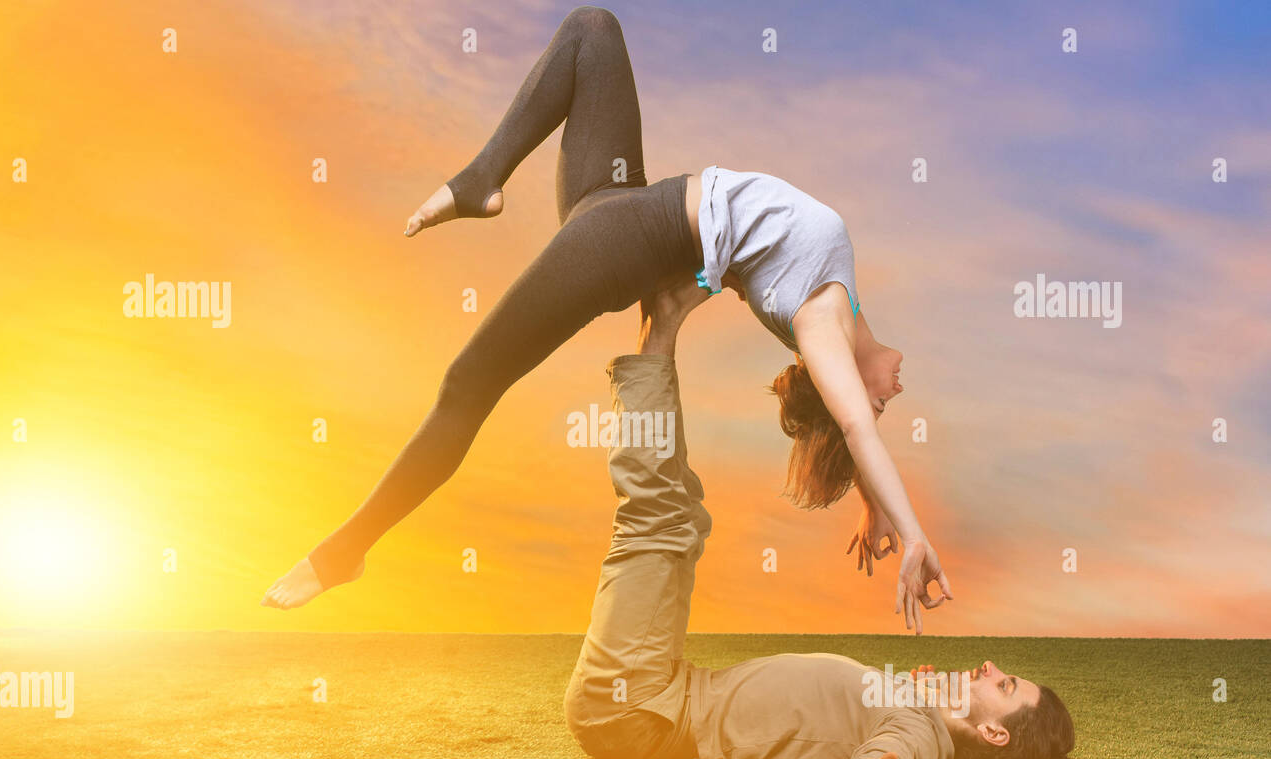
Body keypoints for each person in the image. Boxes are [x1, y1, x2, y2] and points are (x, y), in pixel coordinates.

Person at [263, 6, 948, 633]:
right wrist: (872, 505)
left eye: (878, 404)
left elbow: (855, 423)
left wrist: (914, 532)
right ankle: (482, 178)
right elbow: (853, 426)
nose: (893, 398)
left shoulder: (822, 319)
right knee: (593, 28)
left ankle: (343, 553)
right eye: (884, 404)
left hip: (624, 243)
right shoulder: (843, 300)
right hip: (616, 195)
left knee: (468, 382)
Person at [565, 298, 1074, 759]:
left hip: (639, 710)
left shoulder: (917, 729)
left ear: (992, 732)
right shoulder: (912, 701)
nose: (990, 667)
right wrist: (872, 503)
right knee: (684, 517)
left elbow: (897, 755)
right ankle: (660, 331)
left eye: (1005, 685)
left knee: (657, 520)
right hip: (668, 691)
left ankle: (659, 329)